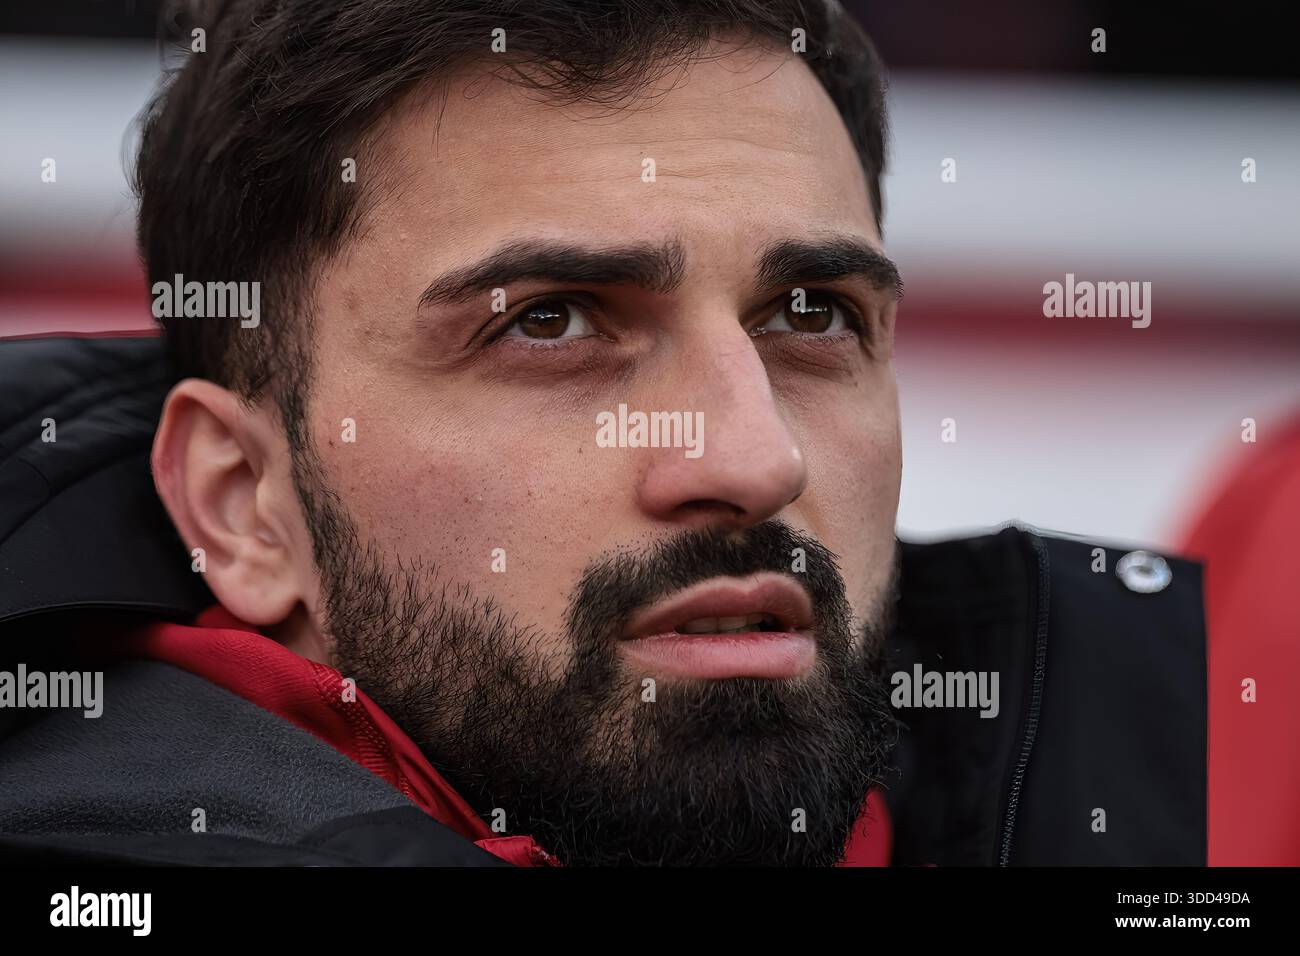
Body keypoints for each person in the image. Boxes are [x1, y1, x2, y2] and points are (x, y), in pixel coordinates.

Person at [0, 0, 1205, 866]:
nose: (753, 457)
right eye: (552, 323)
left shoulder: (1209, 766)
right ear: (244, 503)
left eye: (810, 315)